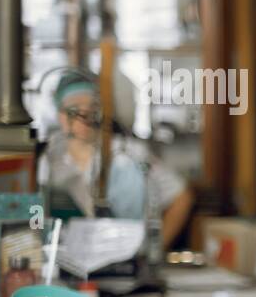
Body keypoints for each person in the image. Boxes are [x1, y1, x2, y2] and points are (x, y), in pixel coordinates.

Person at [38, 68, 194, 247]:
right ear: (60, 114)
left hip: (127, 263)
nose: (83, 118)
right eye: (74, 110)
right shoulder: (46, 160)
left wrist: (156, 249)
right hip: (64, 264)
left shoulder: (131, 153)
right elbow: (35, 214)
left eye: (90, 108)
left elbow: (181, 197)